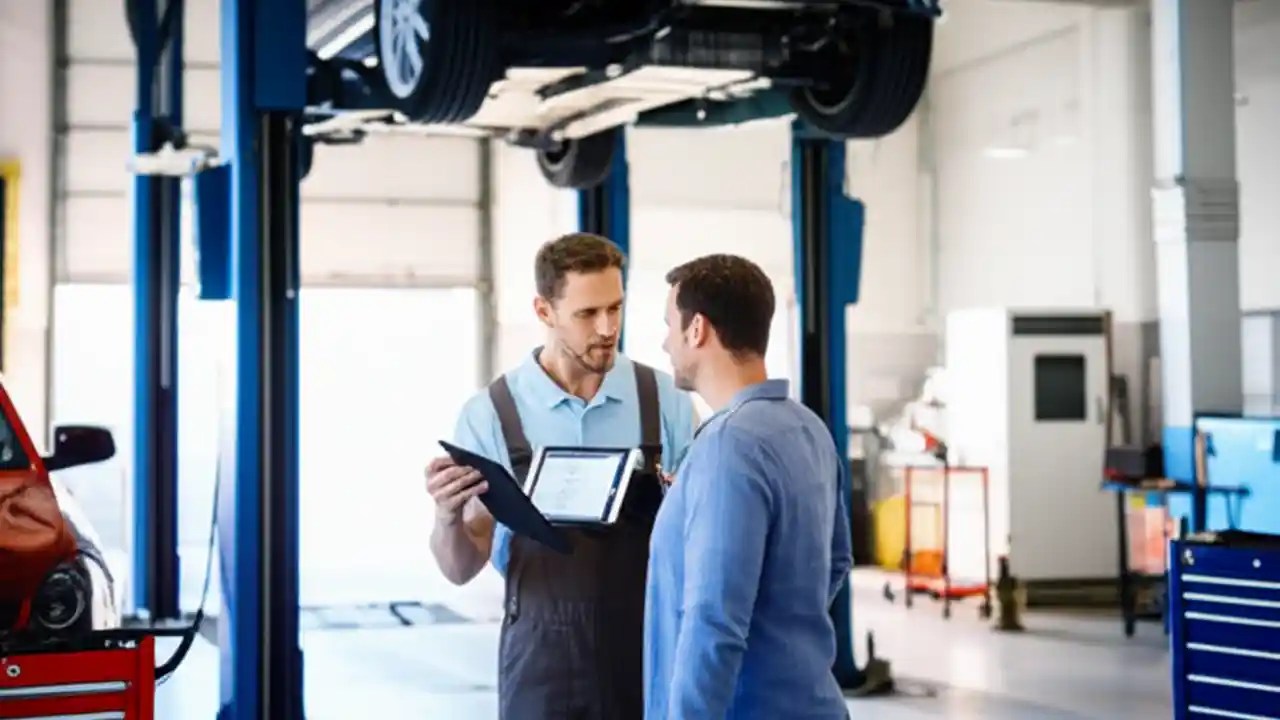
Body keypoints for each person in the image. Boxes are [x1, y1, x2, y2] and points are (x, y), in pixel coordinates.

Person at [423, 232, 697, 720]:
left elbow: (701, 541)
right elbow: (461, 568)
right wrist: (447, 518)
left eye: (616, 308)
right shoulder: (491, 415)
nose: (607, 327)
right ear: (544, 310)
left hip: (646, 651)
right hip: (540, 660)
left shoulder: (666, 403)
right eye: (587, 314)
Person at [644, 254, 852, 720]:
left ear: (697, 330)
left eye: (668, 325)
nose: (664, 342)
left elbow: (713, 622)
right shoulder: (807, 429)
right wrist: (785, 639)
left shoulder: (728, 446)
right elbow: (836, 561)